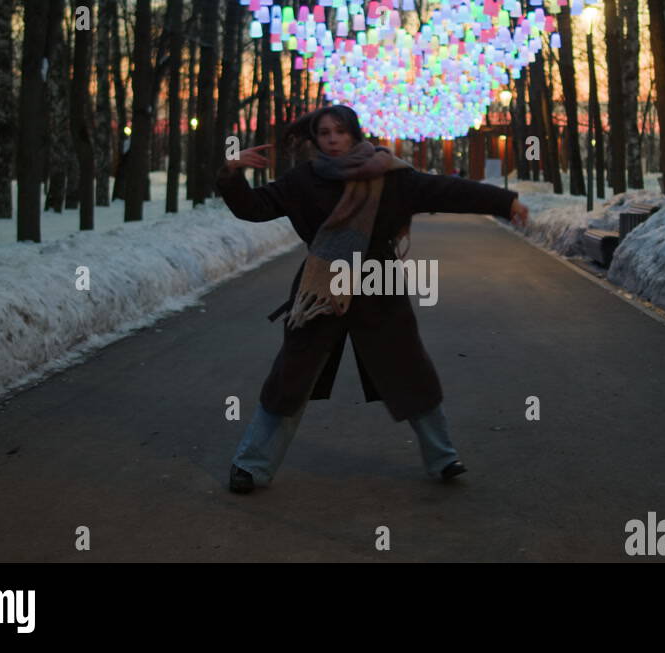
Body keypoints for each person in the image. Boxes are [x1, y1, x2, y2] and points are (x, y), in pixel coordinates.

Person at [215, 104, 530, 494]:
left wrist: (504, 202)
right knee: (290, 378)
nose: (332, 139)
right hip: (321, 290)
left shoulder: (390, 176)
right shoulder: (304, 180)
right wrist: (232, 172)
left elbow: (446, 190)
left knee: (410, 372)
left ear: (355, 134)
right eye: (324, 132)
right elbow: (254, 208)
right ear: (316, 139)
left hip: (378, 287)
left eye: (340, 131)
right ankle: (251, 465)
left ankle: (444, 457)